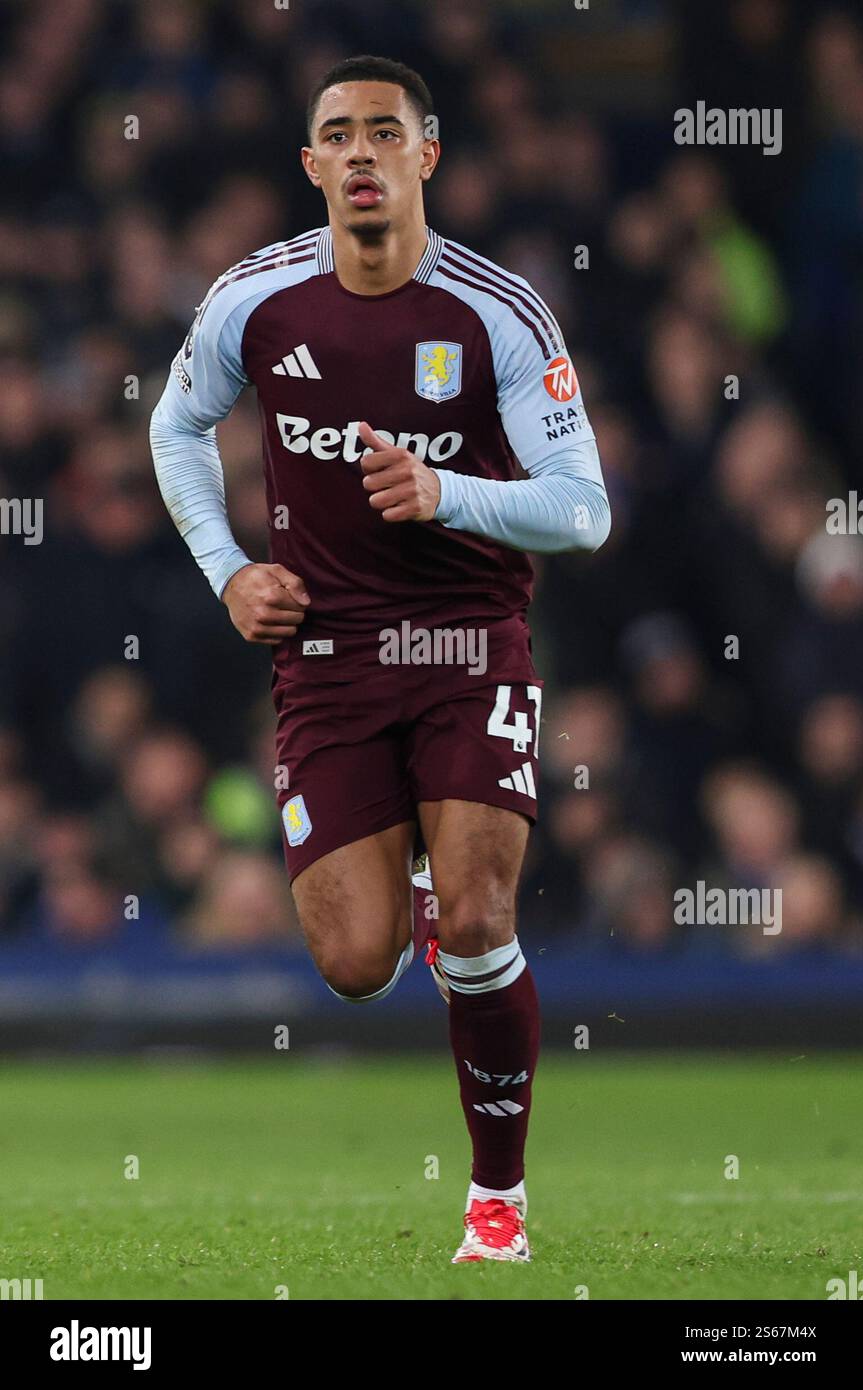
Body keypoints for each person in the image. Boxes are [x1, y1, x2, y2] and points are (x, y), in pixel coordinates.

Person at [150, 54, 610, 1263]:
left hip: (469, 645)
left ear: (426, 156)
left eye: (381, 133)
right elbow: (176, 423)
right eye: (336, 136)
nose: (359, 153)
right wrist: (227, 569)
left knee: (475, 915)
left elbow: (582, 510)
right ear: (309, 166)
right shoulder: (255, 300)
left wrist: (445, 491)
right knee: (355, 963)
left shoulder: (497, 311)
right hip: (329, 656)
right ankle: (407, 894)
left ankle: (495, 1204)